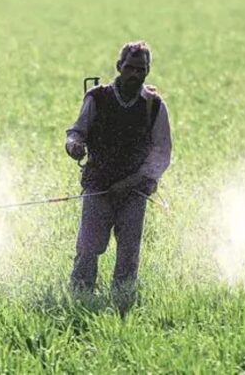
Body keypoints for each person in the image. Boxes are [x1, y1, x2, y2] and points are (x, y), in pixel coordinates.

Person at [65, 40, 172, 312]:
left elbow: (162, 152)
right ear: (119, 67)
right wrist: (74, 146)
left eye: (141, 69)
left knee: (128, 253)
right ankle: (79, 298)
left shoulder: (155, 106)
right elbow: (77, 131)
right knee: (88, 247)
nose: (135, 74)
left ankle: (122, 303)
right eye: (130, 68)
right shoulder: (97, 98)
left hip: (134, 191)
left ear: (148, 71)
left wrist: (133, 182)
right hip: (98, 186)